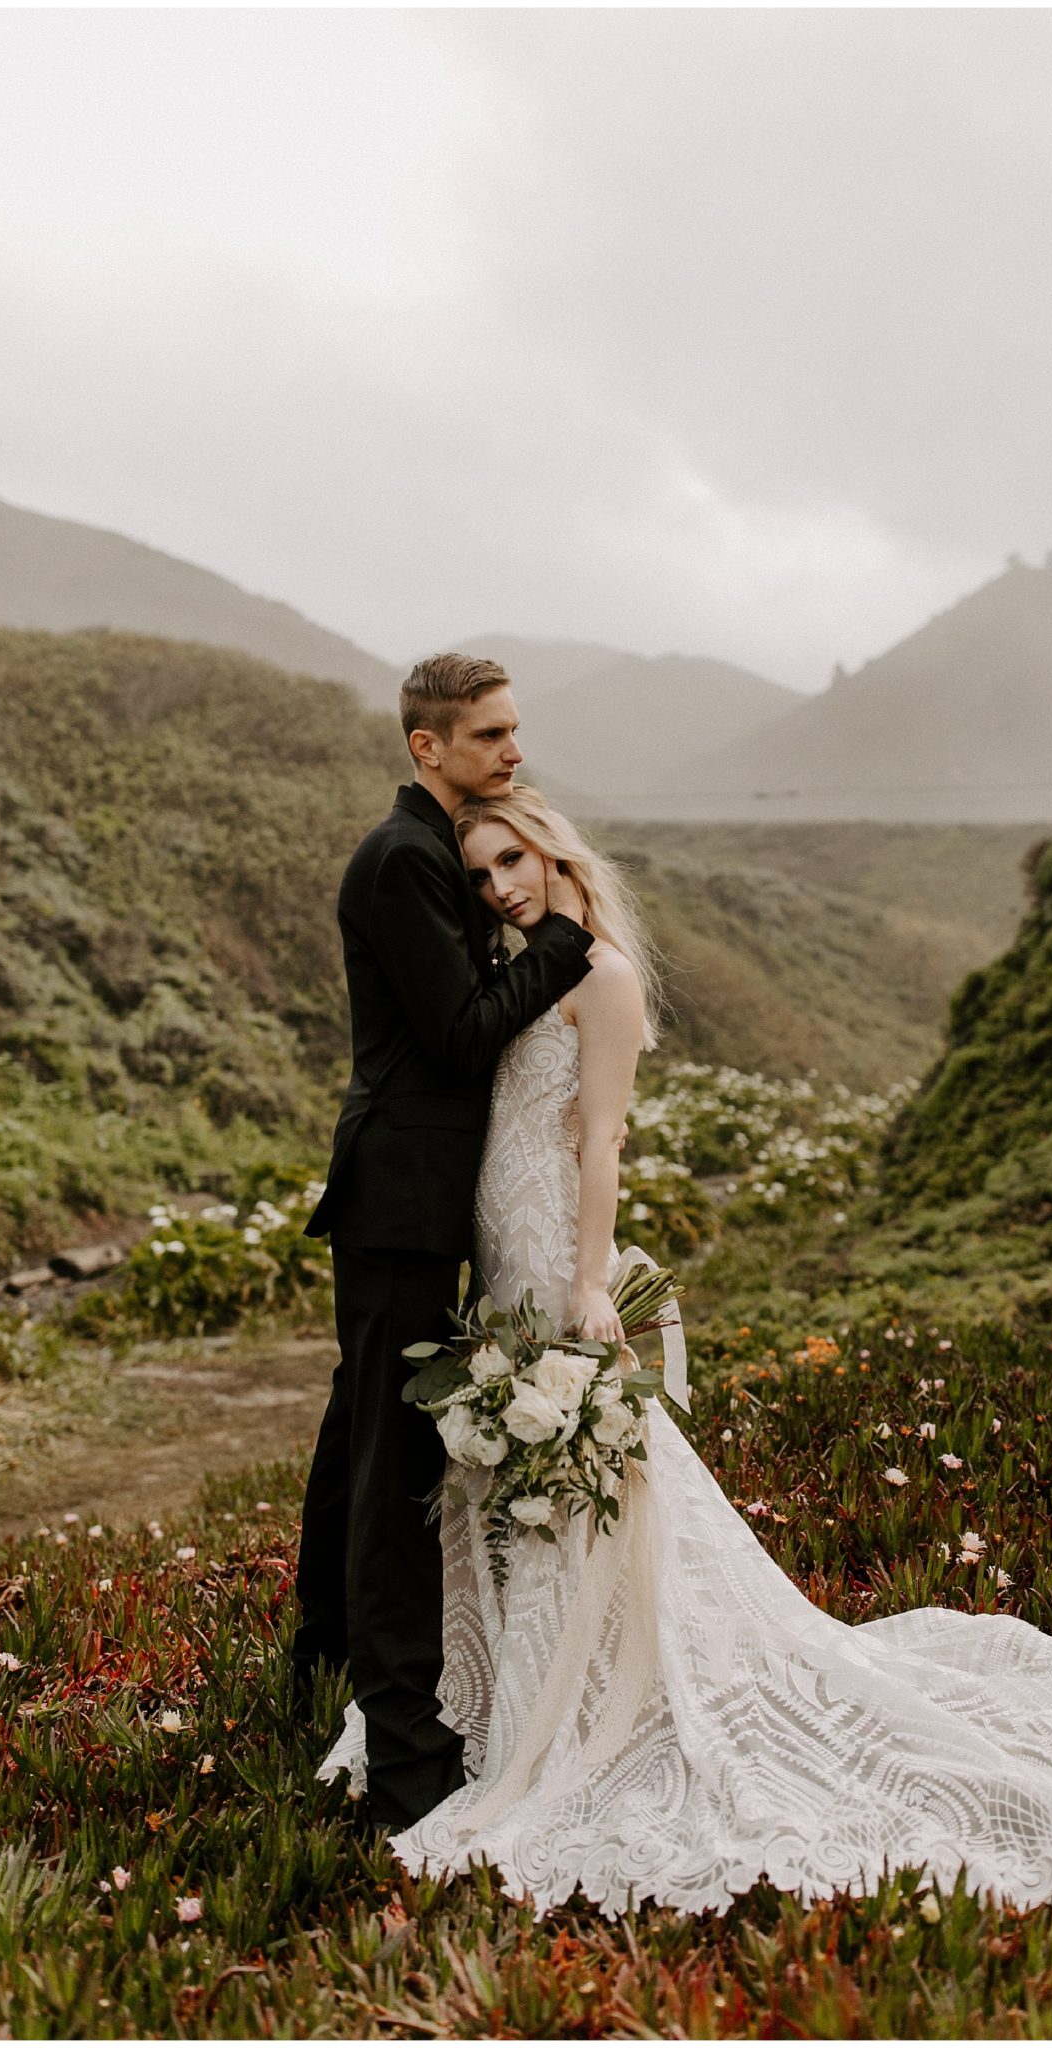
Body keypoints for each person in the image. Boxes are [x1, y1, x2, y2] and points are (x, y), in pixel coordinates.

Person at [317, 787, 1052, 1918]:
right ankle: (506, 1705)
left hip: (550, 1266)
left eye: (514, 857)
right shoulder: (512, 976)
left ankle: (597, 1710)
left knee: (581, 1494)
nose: (501, 884)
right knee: (506, 1495)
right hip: (495, 1265)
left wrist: (585, 1282)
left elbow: (602, 1141)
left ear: (556, 850)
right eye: (478, 874)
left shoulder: (601, 977)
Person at [292, 658, 595, 1834]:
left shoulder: (431, 850)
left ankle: (318, 1658)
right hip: (402, 1196)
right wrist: (562, 948)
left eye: (514, 730)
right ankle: (409, 1760)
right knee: (392, 1471)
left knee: (353, 1431)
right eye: (488, 735)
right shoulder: (401, 857)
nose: (512, 751)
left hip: (419, 1192)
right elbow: (463, 1038)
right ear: (427, 748)